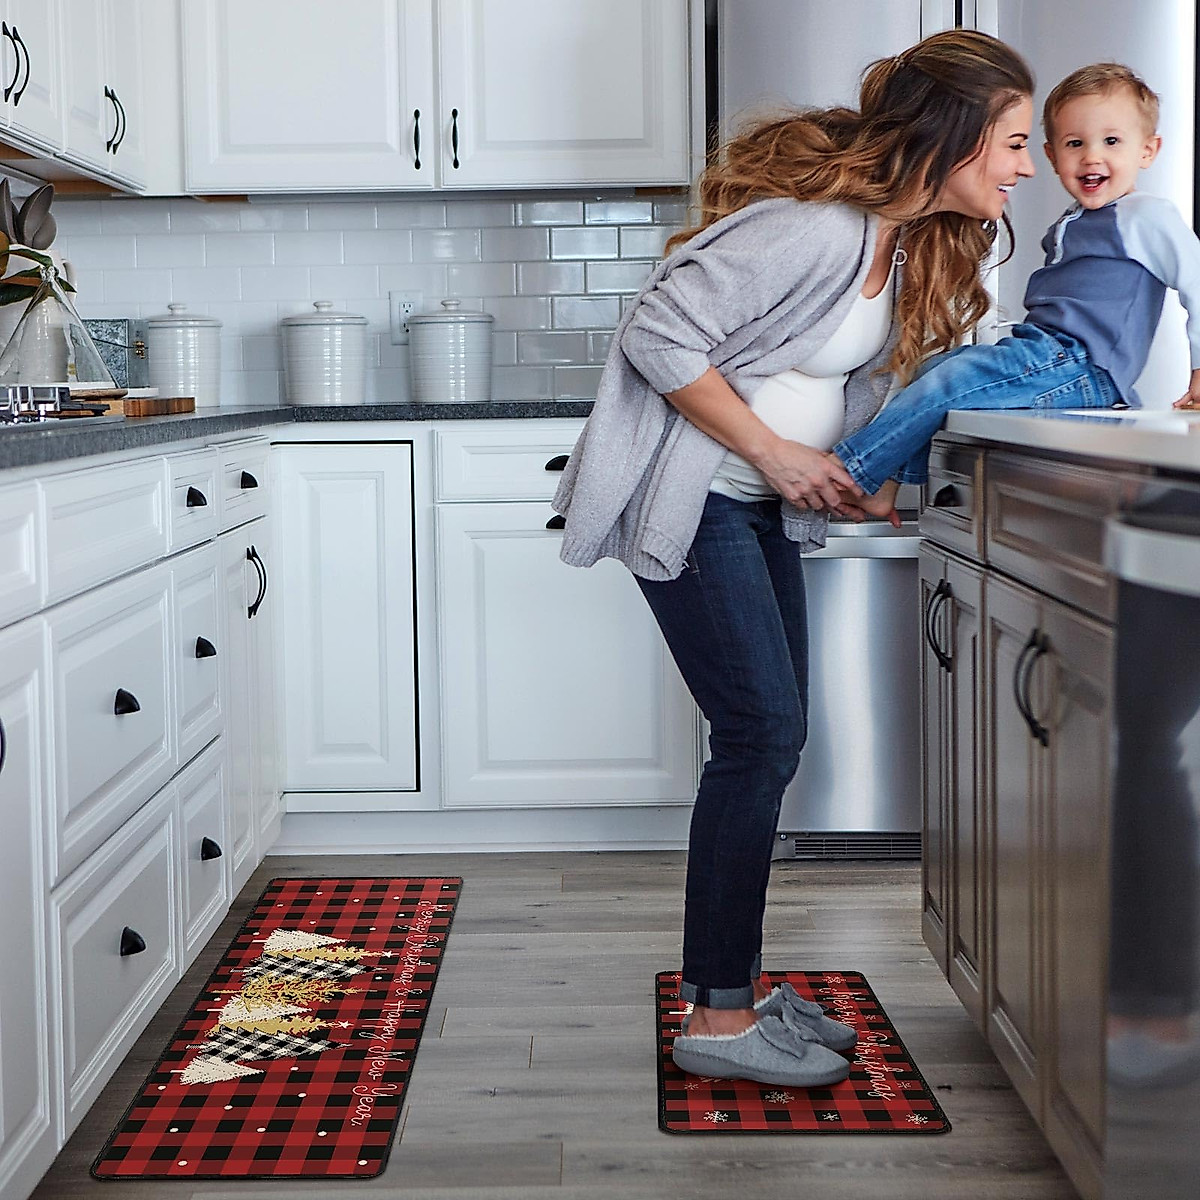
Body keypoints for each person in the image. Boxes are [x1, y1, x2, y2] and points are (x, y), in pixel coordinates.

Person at [552, 30, 1036, 1087]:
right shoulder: (813, 228)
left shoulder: (897, 247)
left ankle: (734, 984)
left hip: (759, 513)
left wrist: (861, 472)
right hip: (700, 504)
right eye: (1013, 142)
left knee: (774, 737)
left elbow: (829, 384)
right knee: (760, 735)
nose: (1027, 166)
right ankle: (719, 1020)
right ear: (955, 136)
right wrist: (776, 452)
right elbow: (656, 331)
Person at [828, 62, 1200, 521]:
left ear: (1148, 150)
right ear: (1051, 155)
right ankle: (883, 487)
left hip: (1079, 363)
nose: (1091, 157)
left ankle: (848, 474)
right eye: (1075, 144)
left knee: (950, 381)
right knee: (934, 369)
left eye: (1112, 141)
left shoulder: (1145, 215)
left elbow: (1196, 281)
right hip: (1045, 353)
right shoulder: (1079, 218)